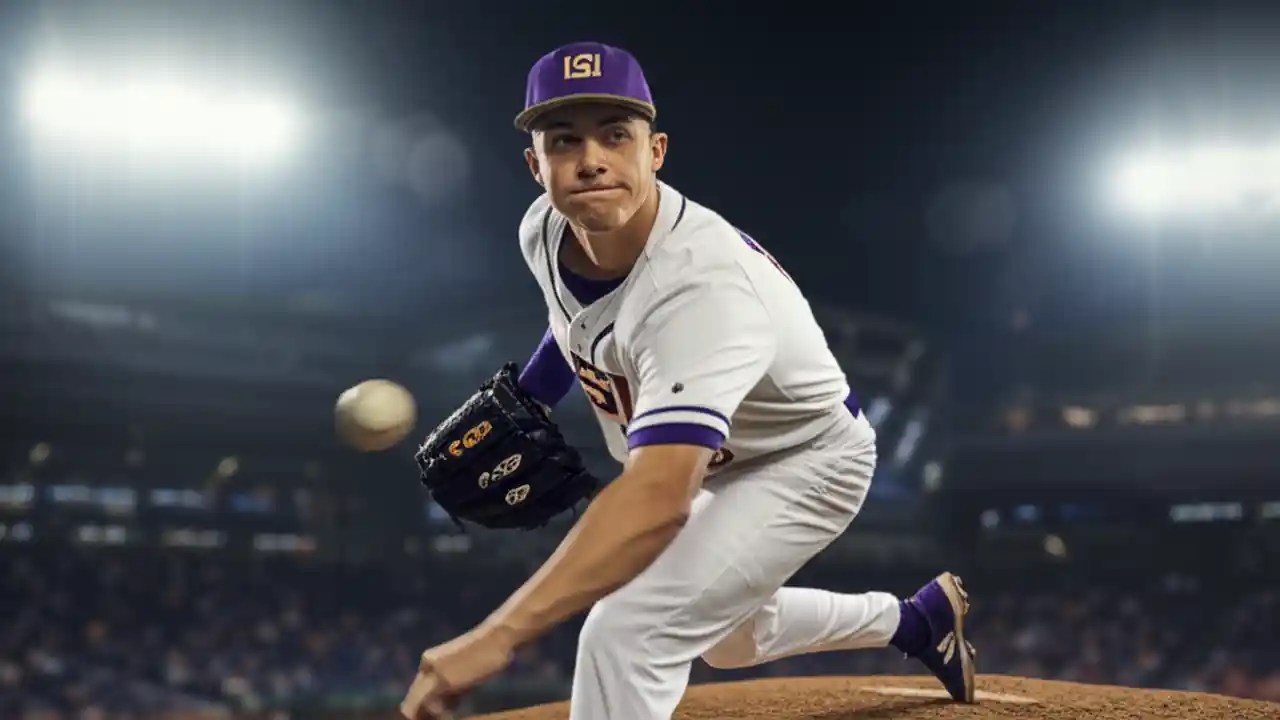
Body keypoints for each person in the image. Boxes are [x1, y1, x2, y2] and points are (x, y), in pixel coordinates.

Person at [400, 41, 976, 720]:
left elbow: (658, 496)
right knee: (729, 639)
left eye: (616, 135)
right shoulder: (545, 230)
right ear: (536, 164)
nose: (591, 159)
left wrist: (497, 637)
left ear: (657, 151)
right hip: (713, 459)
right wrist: (532, 394)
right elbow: (573, 321)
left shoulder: (700, 286)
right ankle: (916, 622)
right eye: (564, 140)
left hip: (806, 458)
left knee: (626, 634)